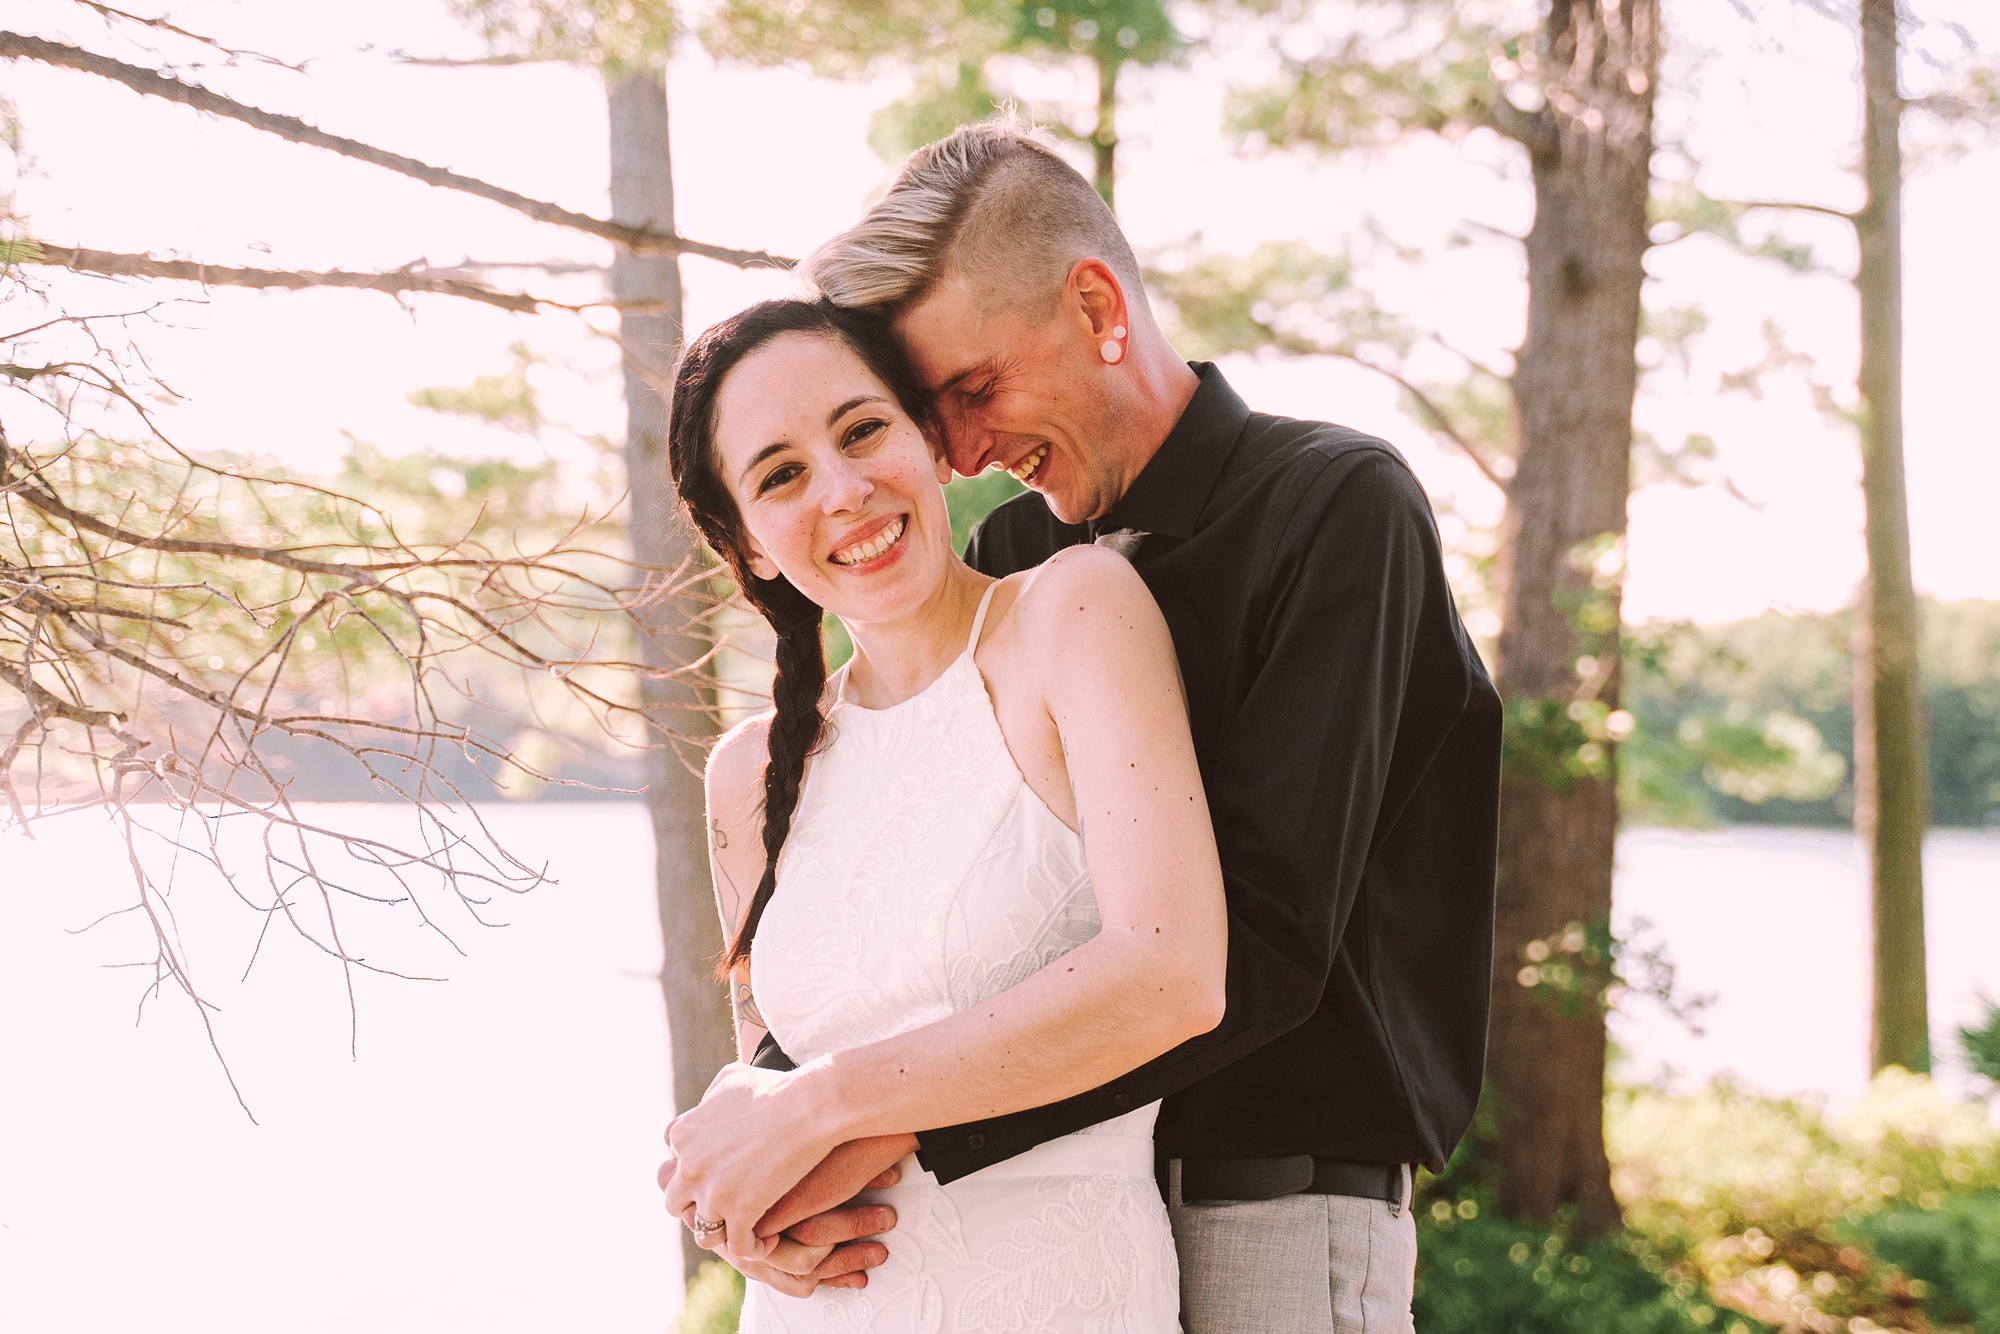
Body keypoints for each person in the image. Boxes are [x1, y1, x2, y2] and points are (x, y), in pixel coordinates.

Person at [665, 121, 1504, 1334]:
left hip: (1267, 1194)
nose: (957, 449)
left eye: (970, 389)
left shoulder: (1334, 507)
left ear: (1099, 308)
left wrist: (867, 1120)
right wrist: (769, 1181)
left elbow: (1261, 946)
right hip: (1019, 1209)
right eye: (926, 407)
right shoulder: (1012, 557)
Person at [658, 297, 1229, 1331]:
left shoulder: (1071, 614)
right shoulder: (748, 774)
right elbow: (765, 1072)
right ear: (744, 546)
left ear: (928, 440)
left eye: (861, 429)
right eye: (780, 475)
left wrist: (818, 1105)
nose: (843, 489)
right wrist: (739, 1216)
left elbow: (1171, 973)